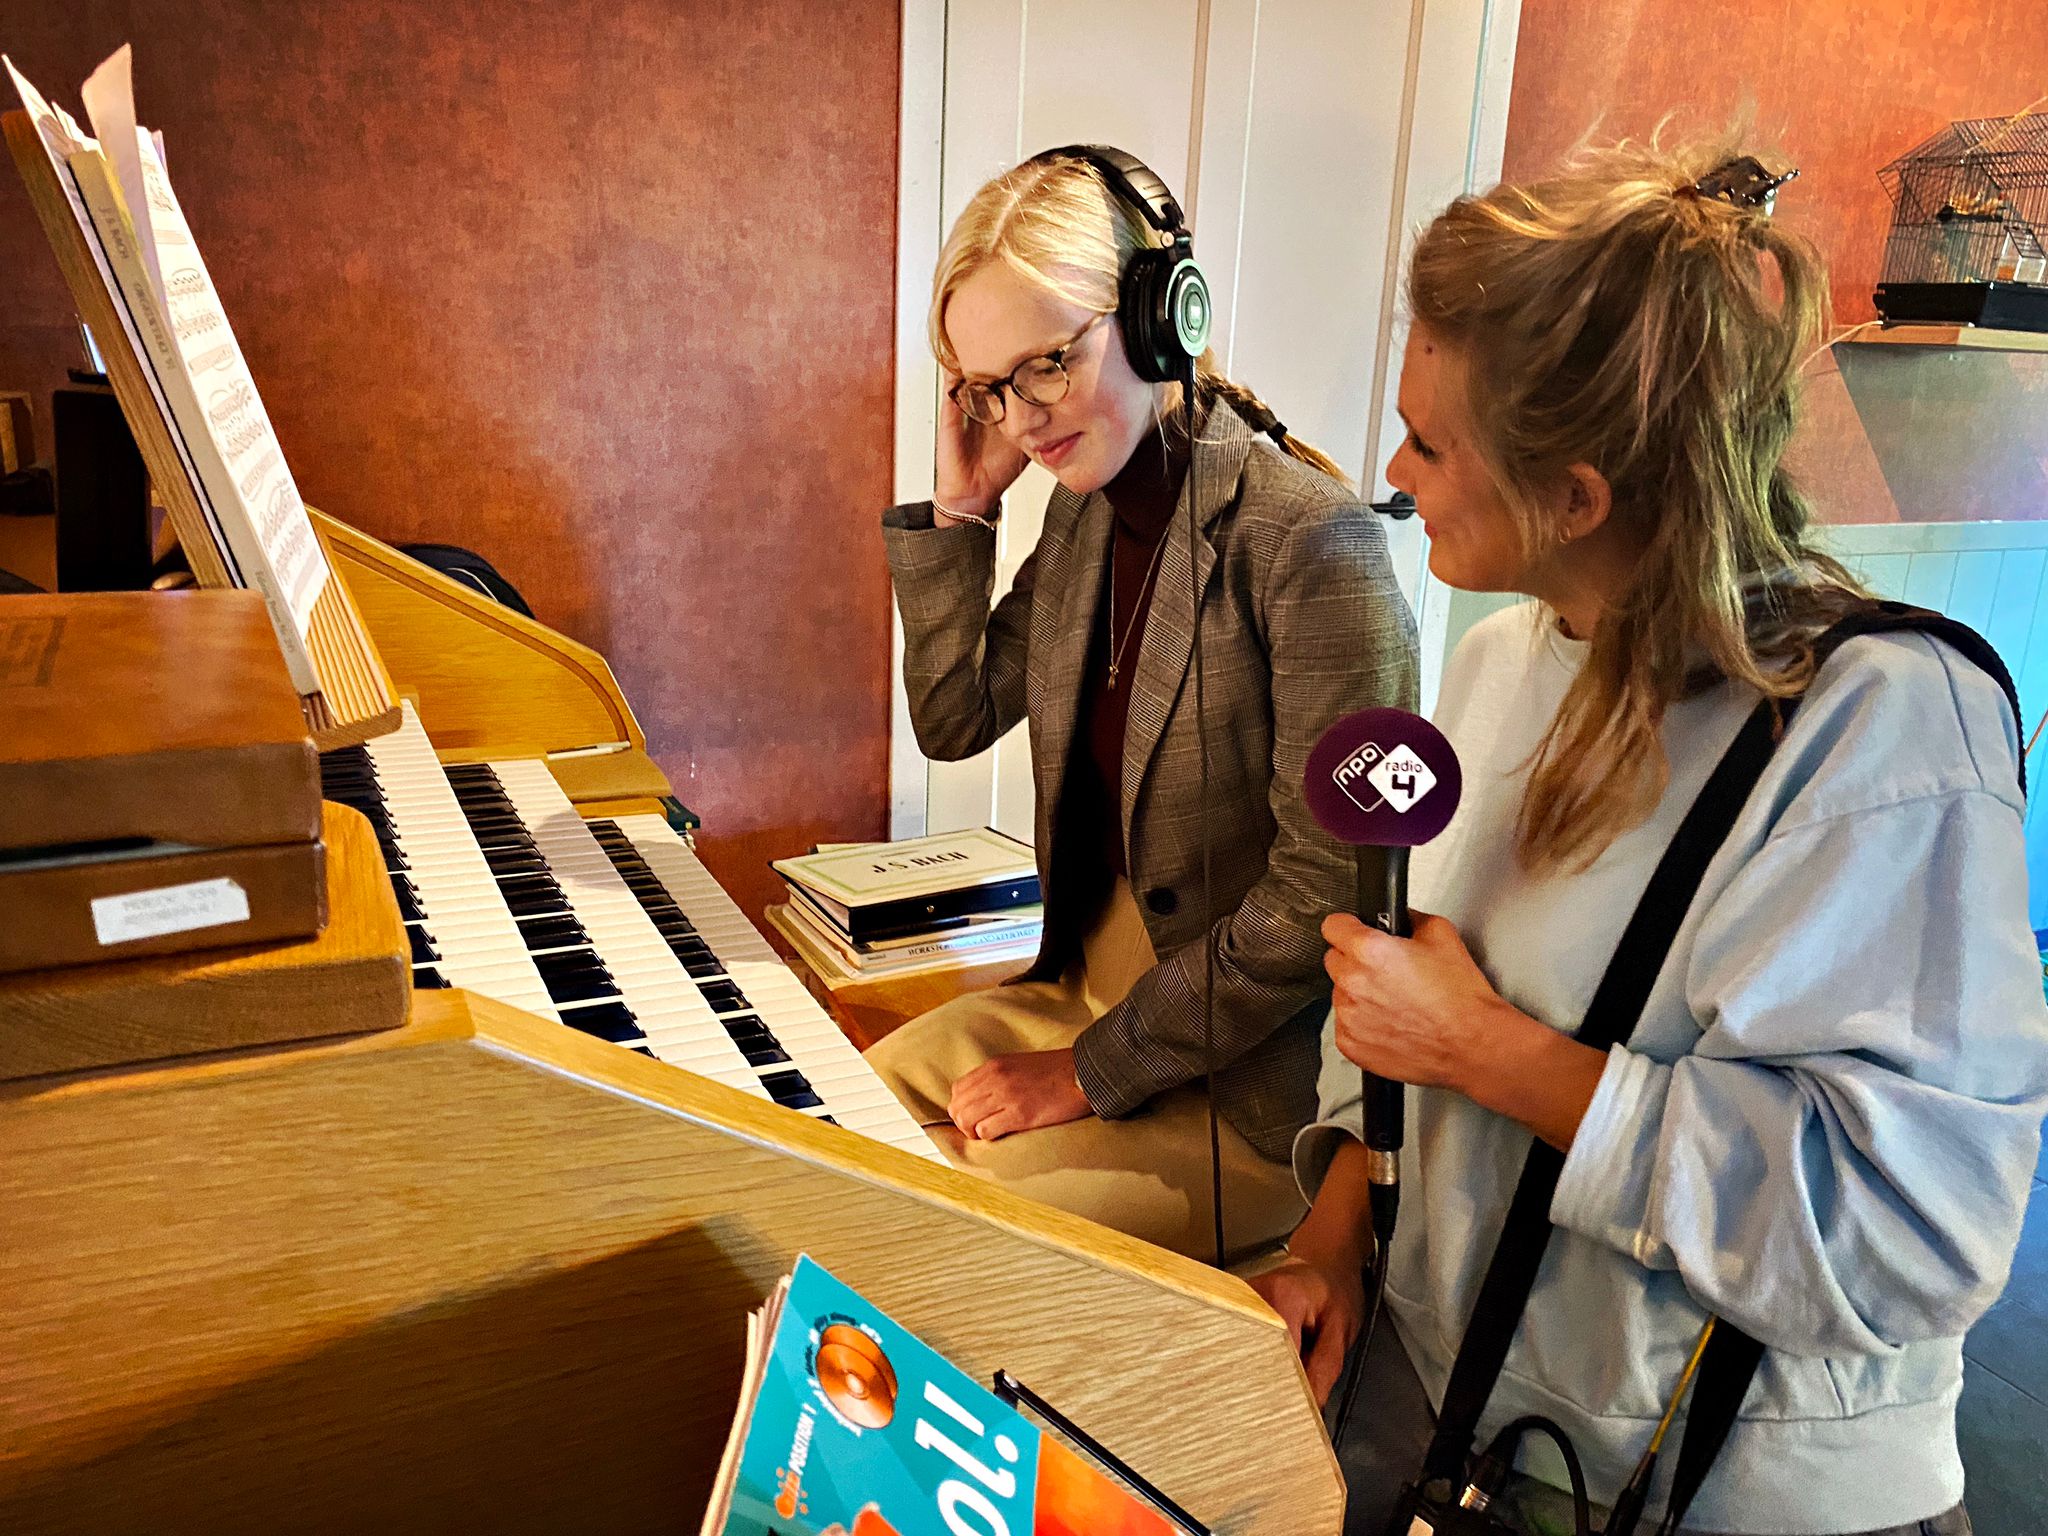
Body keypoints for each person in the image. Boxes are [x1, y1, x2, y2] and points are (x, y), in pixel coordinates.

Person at [1255, 138, 2048, 1535]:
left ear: (1575, 496)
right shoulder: (1500, 662)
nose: (1392, 469)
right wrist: (1337, 1237)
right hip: (1466, 1437)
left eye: (1431, 444)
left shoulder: (1884, 730)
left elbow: (1910, 1237)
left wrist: (1493, 1056)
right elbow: (1401, 1005)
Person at [867, 147, 1418, 1261]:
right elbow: (955, 716)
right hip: (1081, 990)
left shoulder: (1313, 545)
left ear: (1159, 315)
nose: (1017, 419)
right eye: (984, 387)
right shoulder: (1082, 507)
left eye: (1045, 367)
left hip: (1249, 1093)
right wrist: (961, 513)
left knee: (920, 1240)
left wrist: (1085, 1069)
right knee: (819, 1125)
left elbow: (1324, 893)